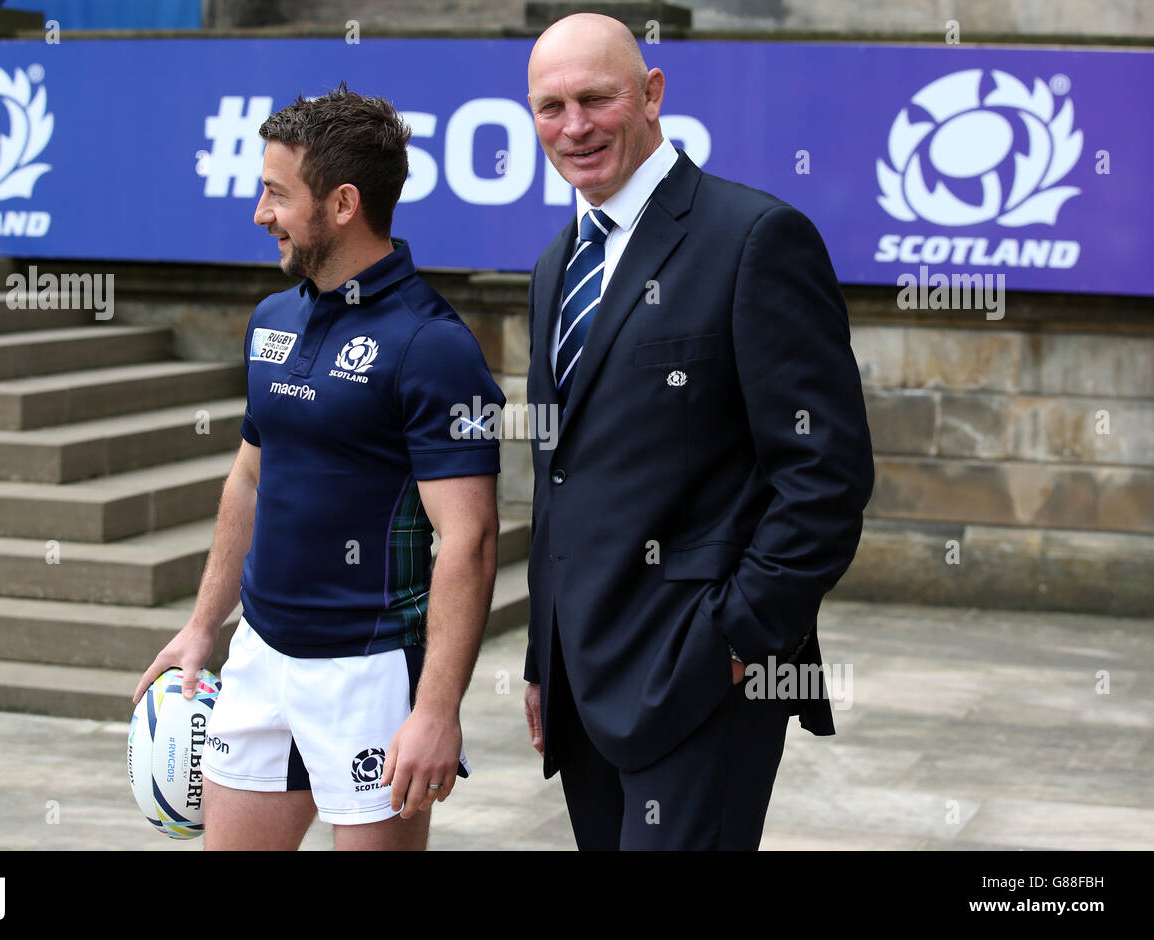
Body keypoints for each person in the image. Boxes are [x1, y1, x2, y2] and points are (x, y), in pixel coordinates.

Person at [520, 14, 875, 850]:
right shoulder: (555, 263)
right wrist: (546, 658)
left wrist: (737, 642)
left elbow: (825, 475)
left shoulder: (755, 238)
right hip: (584, 683)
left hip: (703, 680)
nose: (574, 127)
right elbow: (559, 480)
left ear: (652, 95)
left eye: (596, 99)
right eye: (550, 106)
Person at [133, 85, 503, 851]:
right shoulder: (273, 319)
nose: (260, 213)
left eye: (276, 194)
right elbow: (248, 478)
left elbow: (469, 540)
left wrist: (437, 707)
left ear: (342, 203)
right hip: (260, 656)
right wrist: (205, 627)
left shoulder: (433, 346)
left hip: (369, 676)